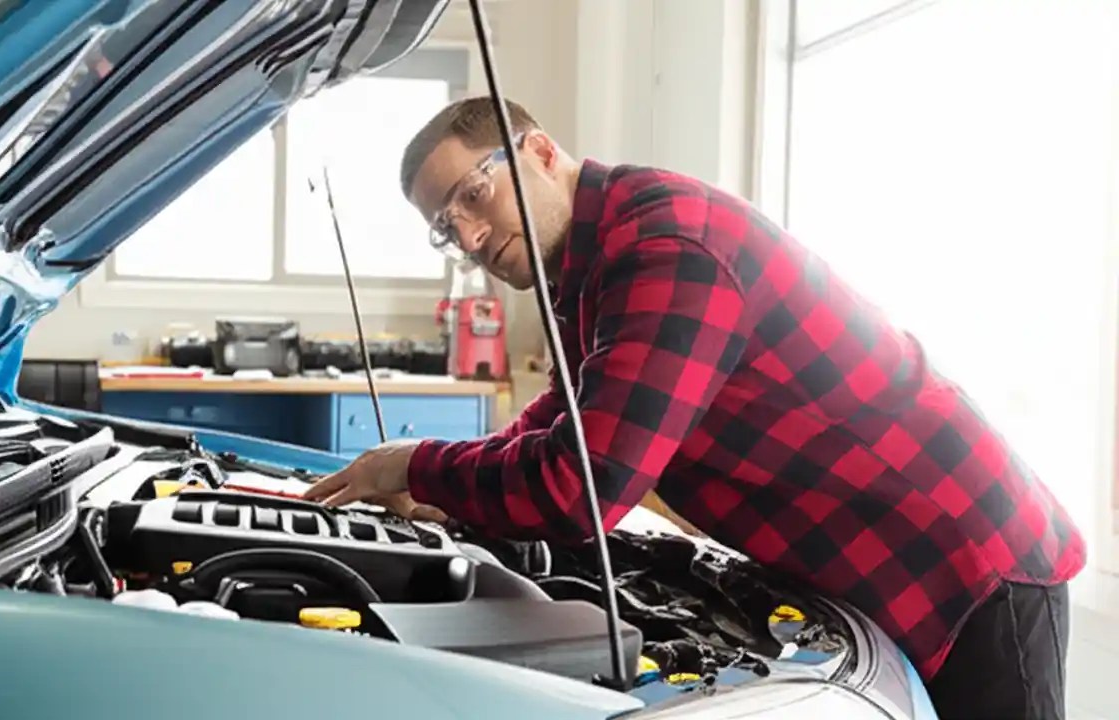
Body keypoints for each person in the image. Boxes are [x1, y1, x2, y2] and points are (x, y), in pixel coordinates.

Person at [303, 97, 1082, 718]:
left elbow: (581, 487)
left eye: (474, 193)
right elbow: (566, 411)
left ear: (540, 151)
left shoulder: (666, 246)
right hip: (876, 566)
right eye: (445, 227)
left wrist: (416, 465)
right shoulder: (595, 264)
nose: (469, 234)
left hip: (963, 564)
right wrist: (436, 492)